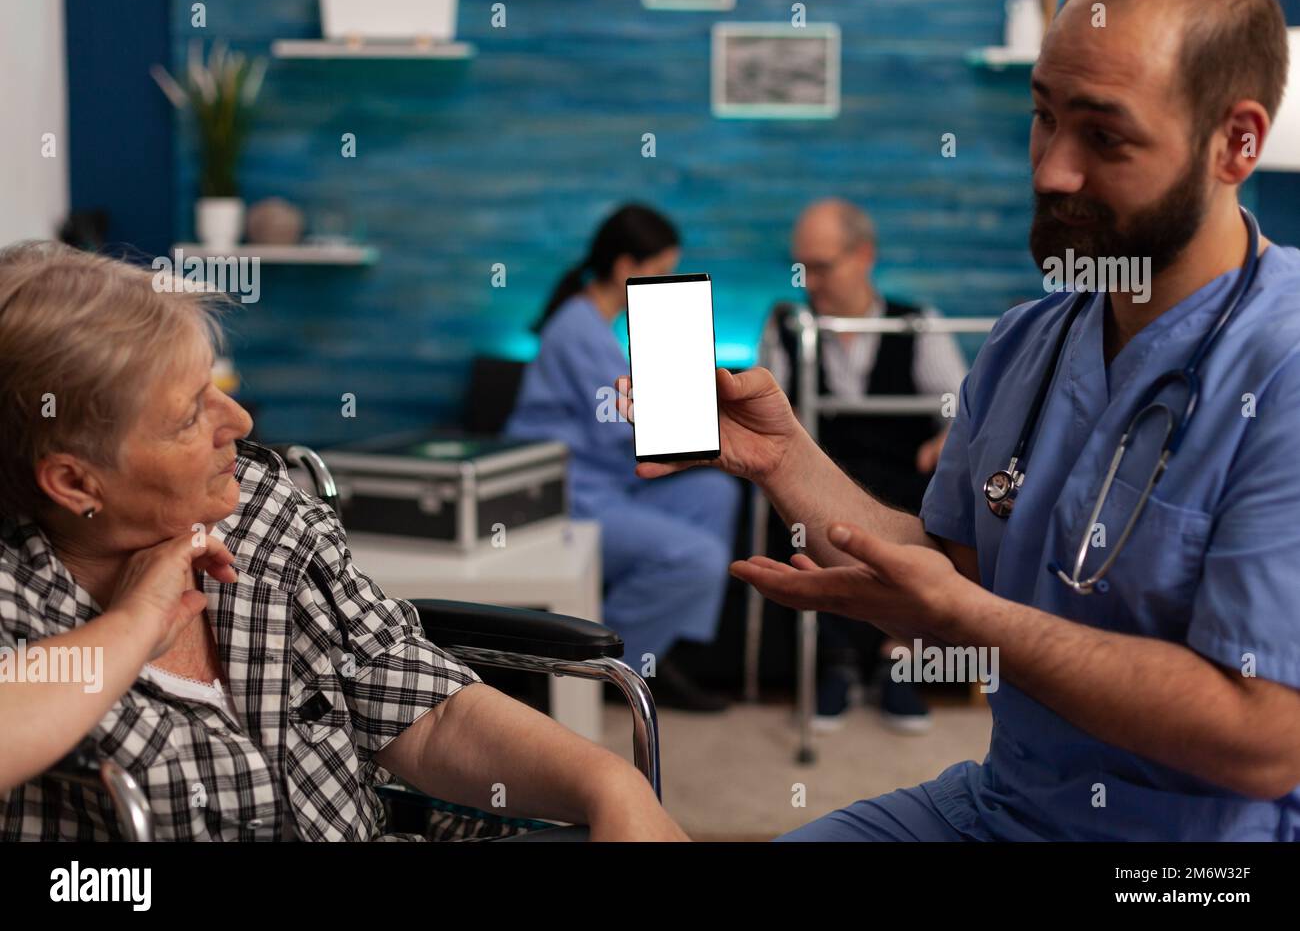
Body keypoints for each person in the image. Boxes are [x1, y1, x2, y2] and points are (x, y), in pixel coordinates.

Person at [619, 0, 1300, 840]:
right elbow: (952, 567)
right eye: (1043, 116)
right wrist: (784, 458)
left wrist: (963, 618)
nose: (1052, 168)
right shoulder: (1028, 342)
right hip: (1006, 805)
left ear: (1236, 142)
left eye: (1103, 134)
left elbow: (1266, 739)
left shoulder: (1284, 368)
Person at [0, 241, 686, 841]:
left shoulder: (258, 508)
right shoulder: (19, 603)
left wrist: (610, 783)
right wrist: (135, 620)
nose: (237, 421)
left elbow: (427, 713)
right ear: (73, 482)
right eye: (187, 417)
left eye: (216, 385)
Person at [505, 203, 741, 712]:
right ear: (624, 267)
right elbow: (625, 425)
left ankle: (661, 647)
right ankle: (592, 671)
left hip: (607, 479)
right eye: (658, 271)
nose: (664, 283)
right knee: (699, 557)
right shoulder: (577, 330)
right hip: (566, 496)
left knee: (715, 492)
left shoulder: (598, 324)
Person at [762, 198, 968, 733]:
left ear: (864, 256)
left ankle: (896, 659)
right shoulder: (787, 326)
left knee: (929, 505)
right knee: (793, 511)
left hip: (903, 480)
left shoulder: (916, 323)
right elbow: (770, 416)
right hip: (820, 476)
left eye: (821, 266)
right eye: (801, 266)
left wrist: (948, 437)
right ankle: (836, 663)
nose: (809, 281)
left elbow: (963, 407)